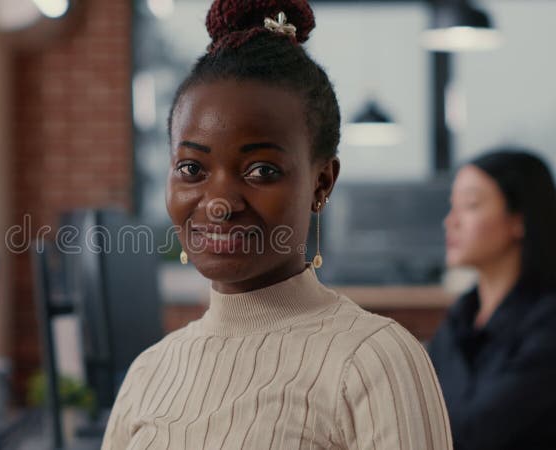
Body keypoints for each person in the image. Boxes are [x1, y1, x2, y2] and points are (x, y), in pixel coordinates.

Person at [101, 1, 452, 448]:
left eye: (261, 170)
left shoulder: (374, 361)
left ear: (321, 183)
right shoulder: (149, 373)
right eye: (192, 169)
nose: (220, 204)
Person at [428, 149, 556, 449]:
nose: (451, 222)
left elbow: (477, 431)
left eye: (470, 206)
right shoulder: (460, 318)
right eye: (452, 207)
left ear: (518, 221)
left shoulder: (548, 323)